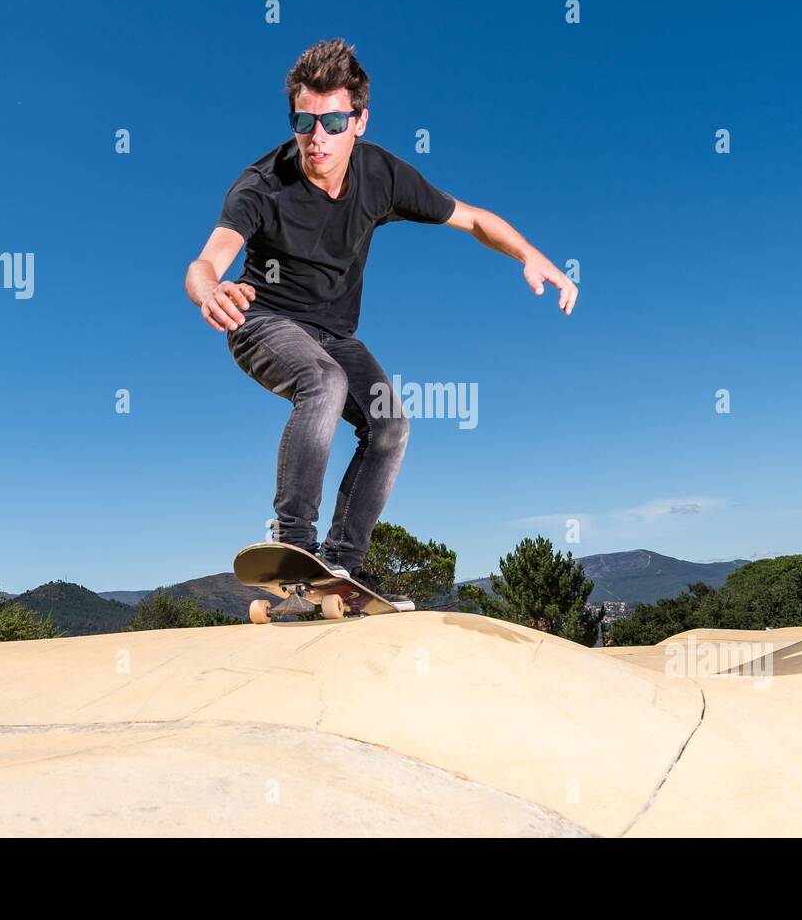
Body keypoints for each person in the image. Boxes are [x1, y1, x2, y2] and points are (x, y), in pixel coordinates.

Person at [185, 37, 577, 607]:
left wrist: (529, 254)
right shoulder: (261, 184)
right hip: (263, 322)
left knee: (391, 424)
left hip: (335, 335)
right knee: (324, 383)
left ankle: (338, 572)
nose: (317, 137)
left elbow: (469, 219)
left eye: (334, 121)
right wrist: (209, 291)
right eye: (305, 120)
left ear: (359, 120)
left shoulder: (381, 176)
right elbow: (206, 260)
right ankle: (294, 547)